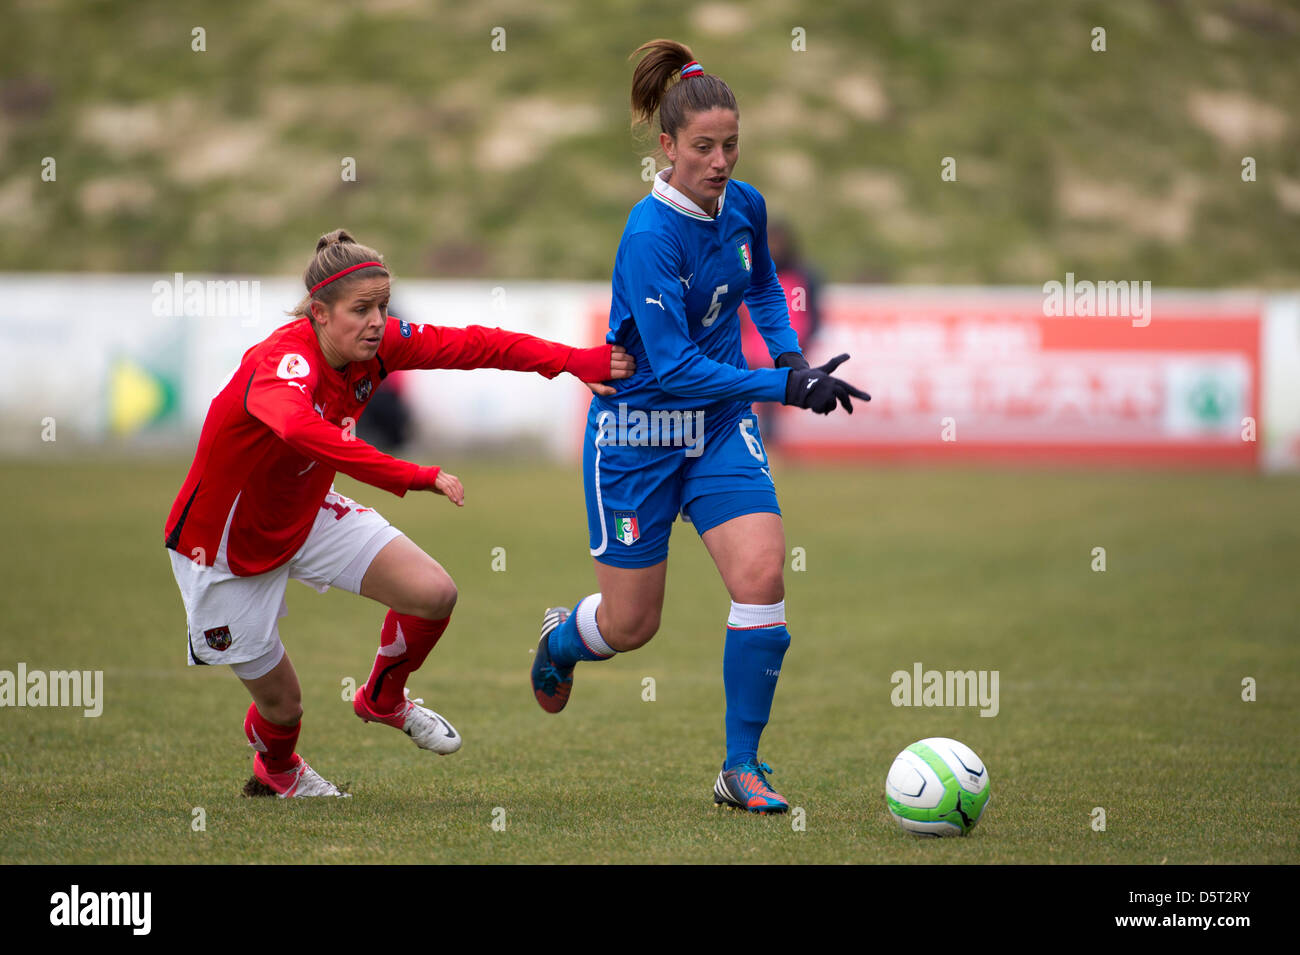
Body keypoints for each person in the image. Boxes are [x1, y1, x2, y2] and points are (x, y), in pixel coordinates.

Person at [164, 229, 633, 797]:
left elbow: (477, 345)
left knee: (433, 593)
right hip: (222, 545)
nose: (377, 321)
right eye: (361, 310)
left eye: (383, 306)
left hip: (305, 513)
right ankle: (277, 769)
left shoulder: (381, 346)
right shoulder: (283, 360)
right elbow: (300, 430)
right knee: (283, 707)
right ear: (318, 312)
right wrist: (413, 475)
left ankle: (383, 699)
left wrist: (577, 361)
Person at [529, 40, 869, 814]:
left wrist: (792, 358)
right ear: (668, 147)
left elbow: (762, 290)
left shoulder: (745, 205)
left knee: (762, 575)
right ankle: (560, 638)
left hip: (716, 427)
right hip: (637, 436)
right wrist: (782, 384)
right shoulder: (648, 237)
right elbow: (675, 367)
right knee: (630, 624)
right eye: (704, 147)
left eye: (731, 145)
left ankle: (741, 767)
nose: (720, 161)